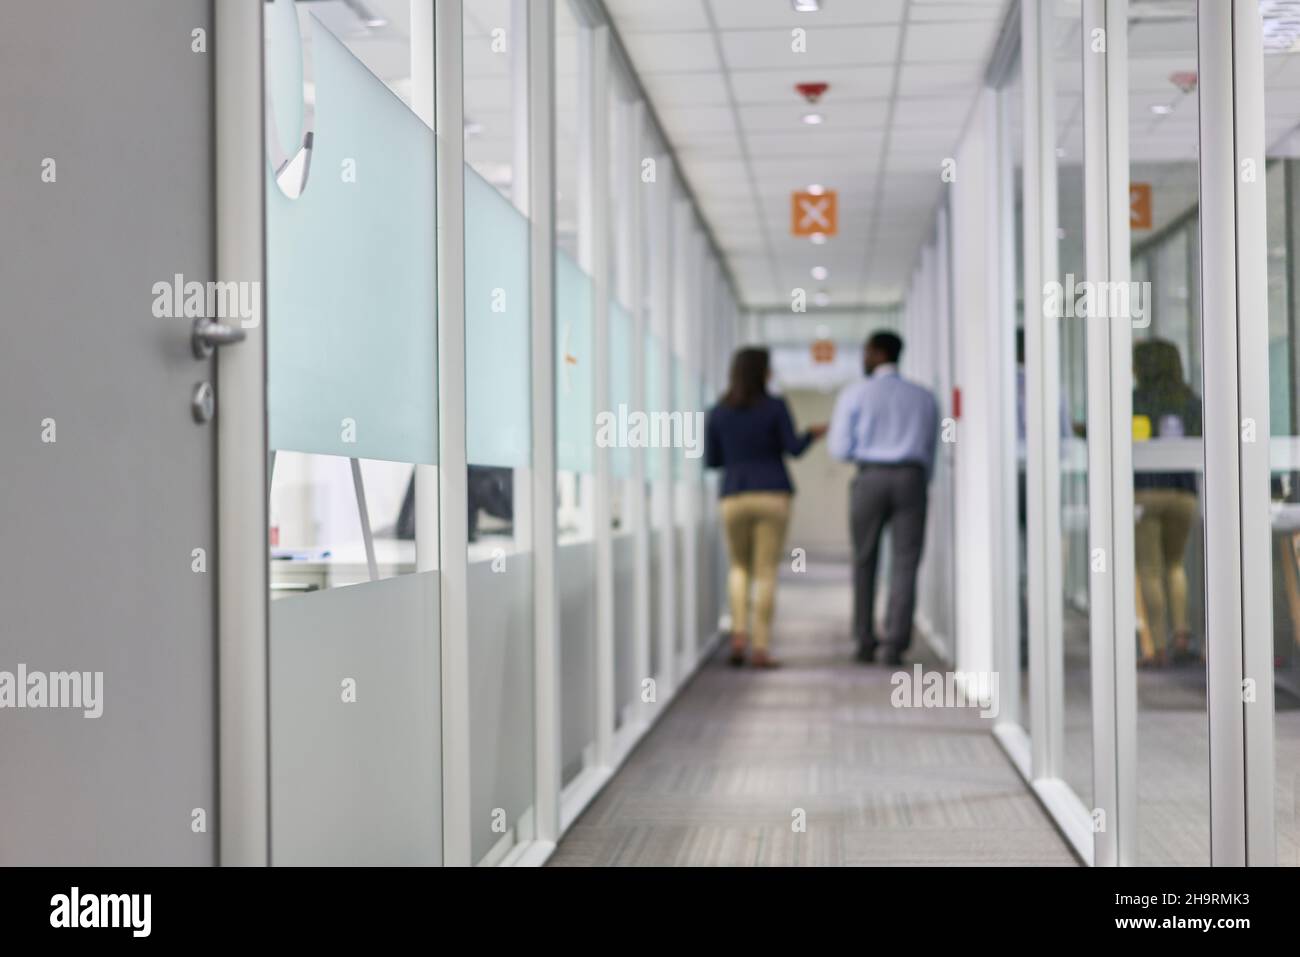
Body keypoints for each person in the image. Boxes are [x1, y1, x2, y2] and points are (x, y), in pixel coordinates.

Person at [705, 347, 826, 668]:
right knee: (766, 571)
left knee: (738, 567)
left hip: (734, 494)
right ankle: (760, 647)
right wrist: (812, 435)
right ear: (763, 372)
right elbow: (794, 449)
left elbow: (712, 460)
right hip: (773, 494)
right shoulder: (775, 407)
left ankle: (738, 635)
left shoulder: (718, 411)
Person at [828, 331, 939, 666]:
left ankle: (864, 641)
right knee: (905, 562)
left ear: (877, 353)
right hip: (911, 477)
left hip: (870, 477)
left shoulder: (855, 394)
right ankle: (894, 644)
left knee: (864, 560)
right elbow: (930, 447)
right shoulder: (923, 396)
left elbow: (839, 448)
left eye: (865, 352)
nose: (863, 358)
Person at [1132, 339, 1201, 667]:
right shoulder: (1190, 401)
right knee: (1175, 565)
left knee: (1149, 569)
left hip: (1146, 492)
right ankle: (1183, 634)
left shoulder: (1134, 400)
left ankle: (1157, 647)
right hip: (1184, 493)